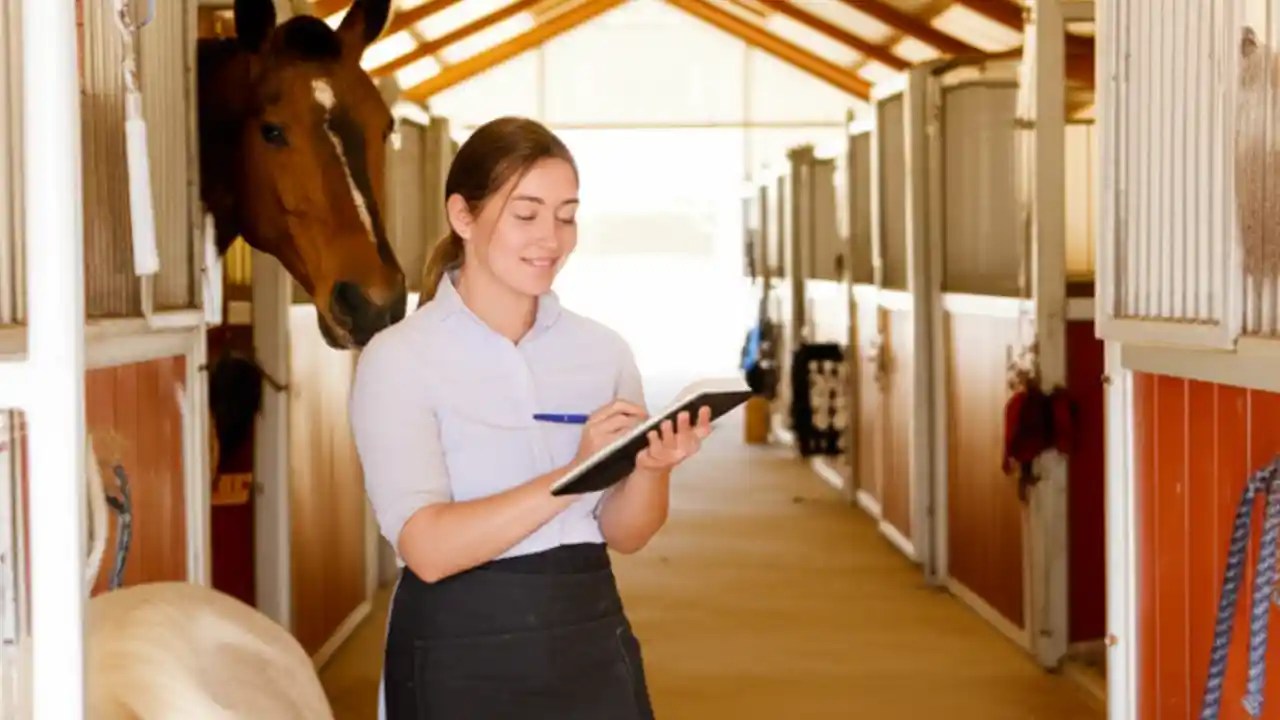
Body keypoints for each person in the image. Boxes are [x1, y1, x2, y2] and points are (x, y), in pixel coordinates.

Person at [349, 115, 714, 719]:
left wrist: (652, 469)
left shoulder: (602, 352)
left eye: (567, 215)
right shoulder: (401, 359)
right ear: (463, 216)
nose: (552, 237)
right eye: (526, 214)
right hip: (455, 647)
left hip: (588, 631)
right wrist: (577, 471)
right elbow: (429, 548)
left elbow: (627, 534)